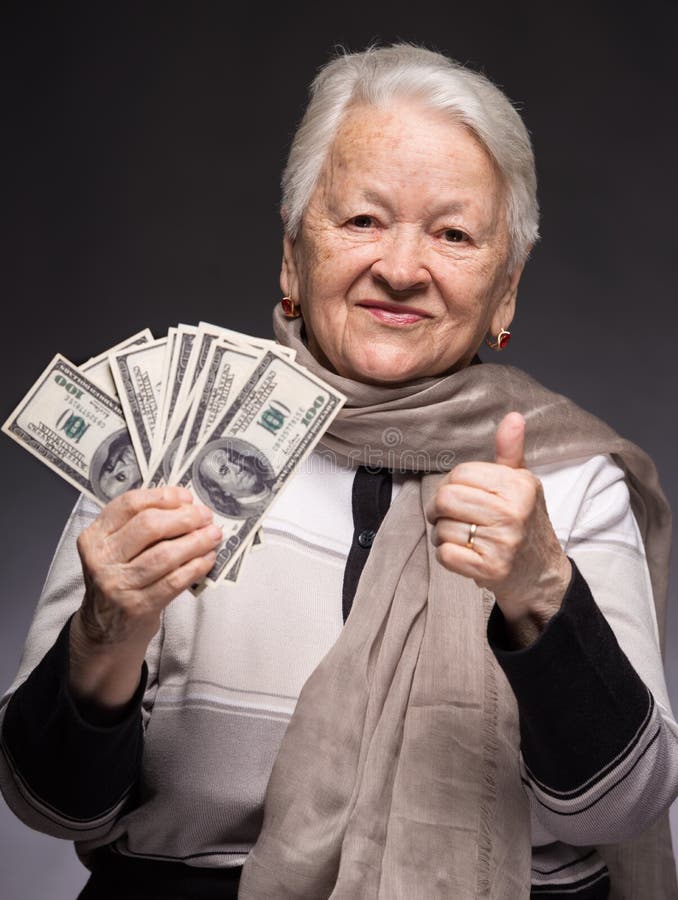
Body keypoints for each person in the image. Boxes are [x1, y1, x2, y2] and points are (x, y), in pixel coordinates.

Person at [1, 44, 676, 899]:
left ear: (505, 292)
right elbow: (50, 804)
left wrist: (543, 596)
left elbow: (621, 810)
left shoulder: (568, 481)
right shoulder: (173, 437)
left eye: (453, 234)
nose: (400, 268)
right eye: (362, 220)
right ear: (292, 258)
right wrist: (107, 634)